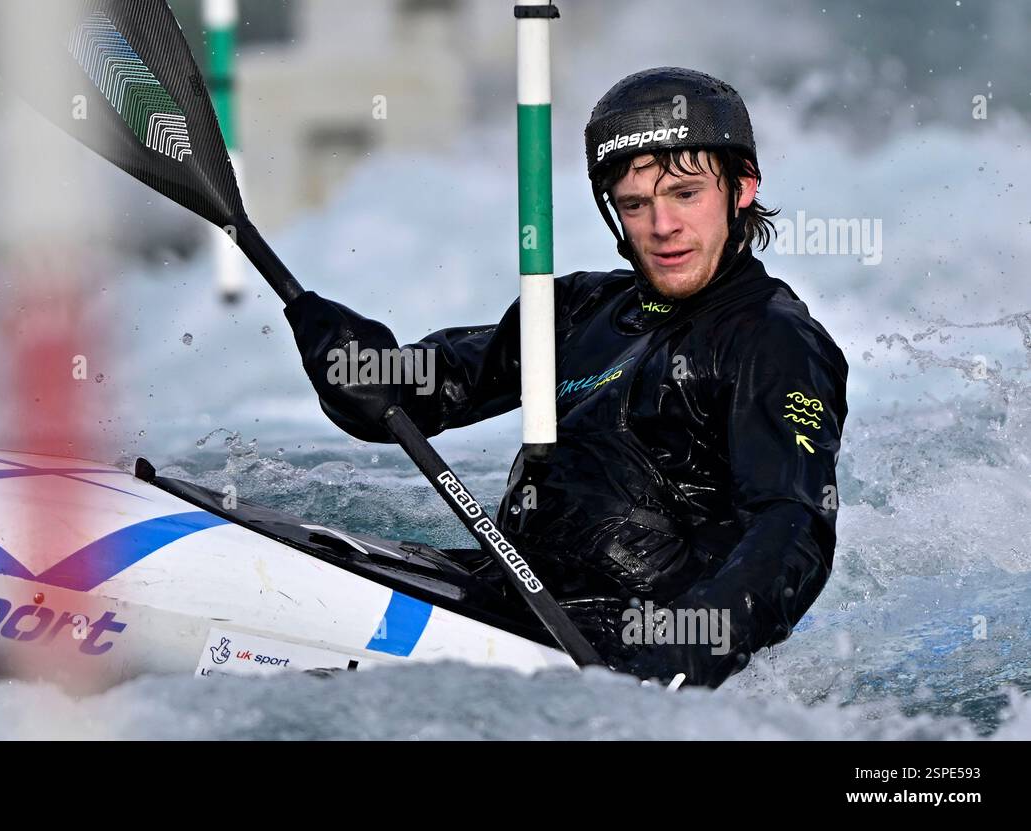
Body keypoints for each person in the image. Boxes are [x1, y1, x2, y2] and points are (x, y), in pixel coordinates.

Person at [283, 67, 848, 688]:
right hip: (511, 589)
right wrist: (354, 362)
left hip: (631, 635)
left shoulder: (775, 341)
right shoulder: (576, 309)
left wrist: (690, 650)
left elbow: (792, 526)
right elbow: (430, 387)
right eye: (636, 204)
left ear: (742, 189)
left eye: (685, 195)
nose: (662, 228)